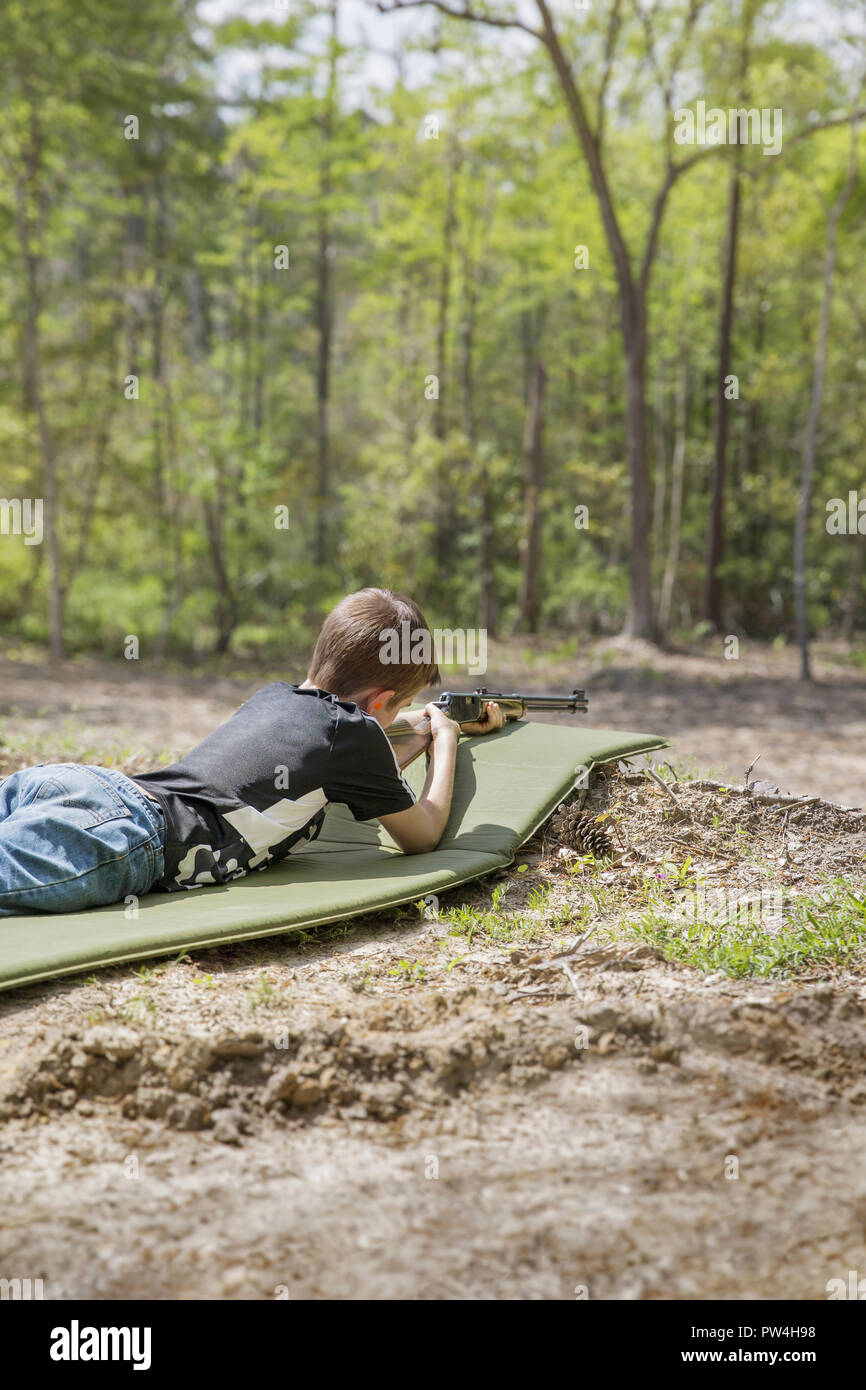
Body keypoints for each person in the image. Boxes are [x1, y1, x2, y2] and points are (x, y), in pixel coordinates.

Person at [0, 588, 503, 916]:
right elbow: (422, 833)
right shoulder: (353, 737)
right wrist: (447, 742)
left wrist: (422, 723)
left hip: (83, 786)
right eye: (402, 707)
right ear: (379, 703)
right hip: (130, 836)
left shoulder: (274, 697)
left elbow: (349, 768)